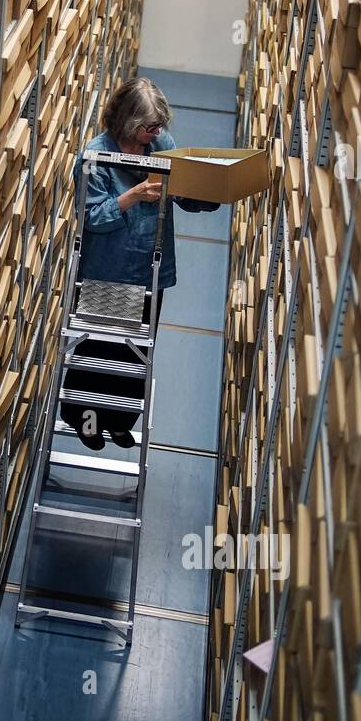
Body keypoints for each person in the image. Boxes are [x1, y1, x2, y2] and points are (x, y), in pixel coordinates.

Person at [60, 77, 219, 451]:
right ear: (128, 124)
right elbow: (91, 219)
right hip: (108, 272)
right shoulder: (94, 158)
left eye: (159, 125)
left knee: (136, 352)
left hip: (150, 269)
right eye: (149, 126)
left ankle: (118, 420)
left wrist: (210, 192)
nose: (157, 132)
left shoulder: (160, 146)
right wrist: (132, 196)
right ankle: (87, 420)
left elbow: (182, 192)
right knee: (98, 348)